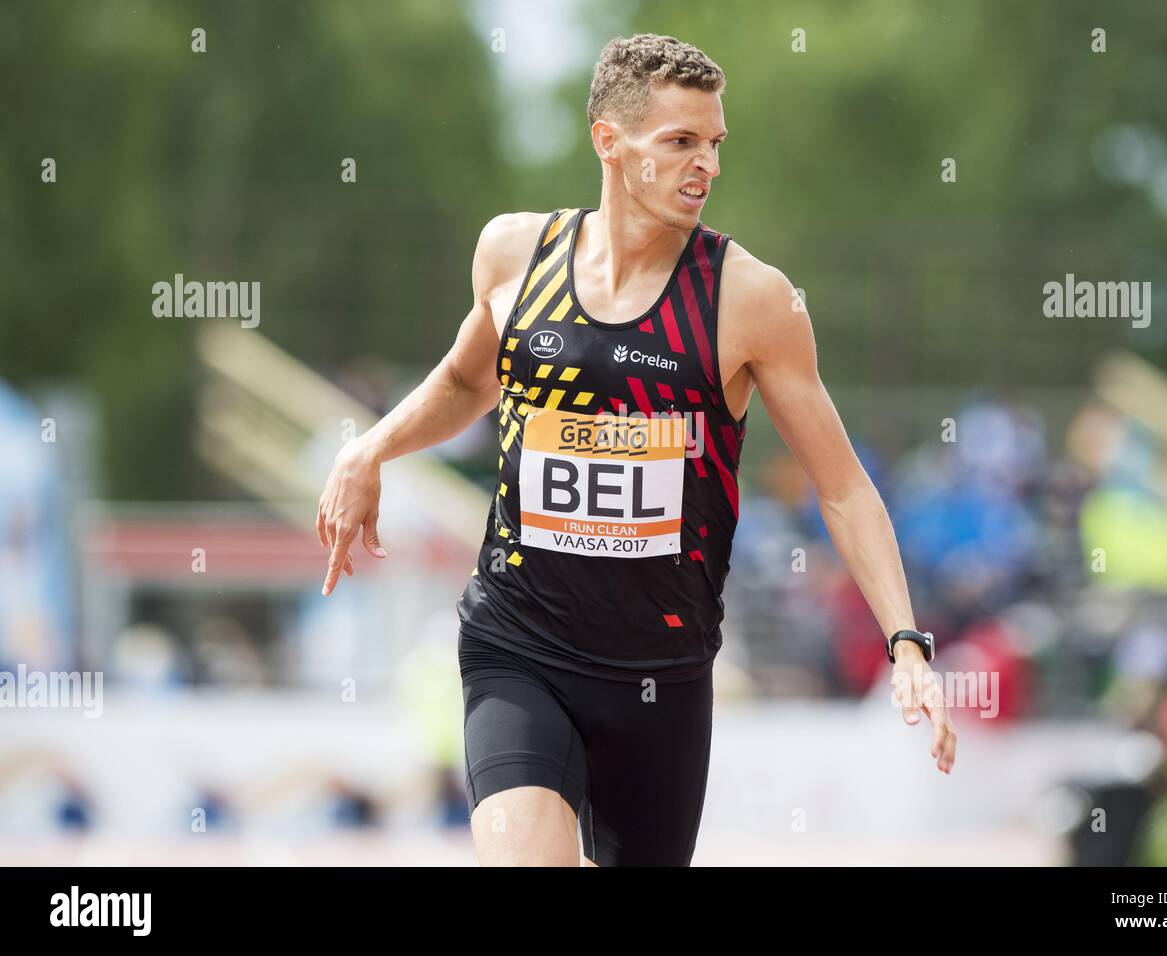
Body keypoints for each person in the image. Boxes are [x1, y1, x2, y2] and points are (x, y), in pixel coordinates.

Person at [317, 33, 955, 866]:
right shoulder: (514, 255)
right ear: (610, 144)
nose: (708, 167)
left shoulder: (750, 300)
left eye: (715, 144)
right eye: (681, 142)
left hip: (660, 675)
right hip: (520, 644)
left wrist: (907, 641)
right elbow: (469, 384)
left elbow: (841, 488)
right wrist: (370, 449)